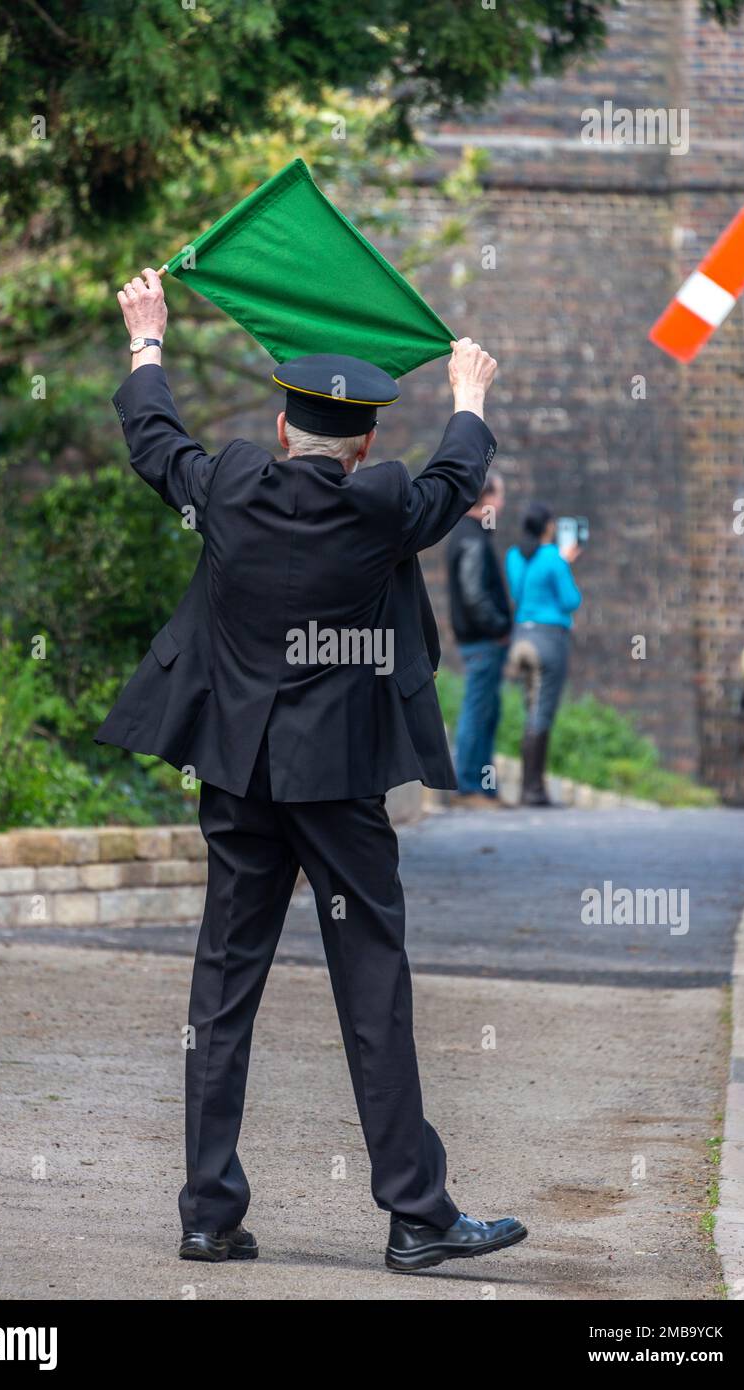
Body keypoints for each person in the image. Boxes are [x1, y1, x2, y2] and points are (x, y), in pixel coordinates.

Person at [96, 267, 528, 1273]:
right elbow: (455, 481)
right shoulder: (382, 507)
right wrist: (469, 395)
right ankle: (416, 1216)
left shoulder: (232, 486)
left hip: (239, 782)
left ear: (285, 434)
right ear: (367, 442)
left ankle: (208, 1211)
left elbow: (155, 440)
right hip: (337, 788)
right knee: (370, 983)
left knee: (222, 984)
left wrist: (148, 338)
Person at [505, 503, 582, 807]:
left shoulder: (513, 555)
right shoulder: (552, 557)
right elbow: (570, 600)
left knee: (531, 707)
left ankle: (529, 786)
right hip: (549, 639)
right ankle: (533, 789)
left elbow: (515, 594)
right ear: (548, 527)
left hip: (521, 638)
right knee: (543, 710)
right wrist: (564, 564)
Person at [447, 471, 511, 807]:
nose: (501, 503)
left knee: (487, 711)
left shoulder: (472, 534)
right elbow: (474, 596)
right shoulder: (471, 537)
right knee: (477, 710)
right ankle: (469, 786)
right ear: (485, 498)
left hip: (482, 639)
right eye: (498, 496)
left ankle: (483, 788)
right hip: (483, 640)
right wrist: (499, 626)